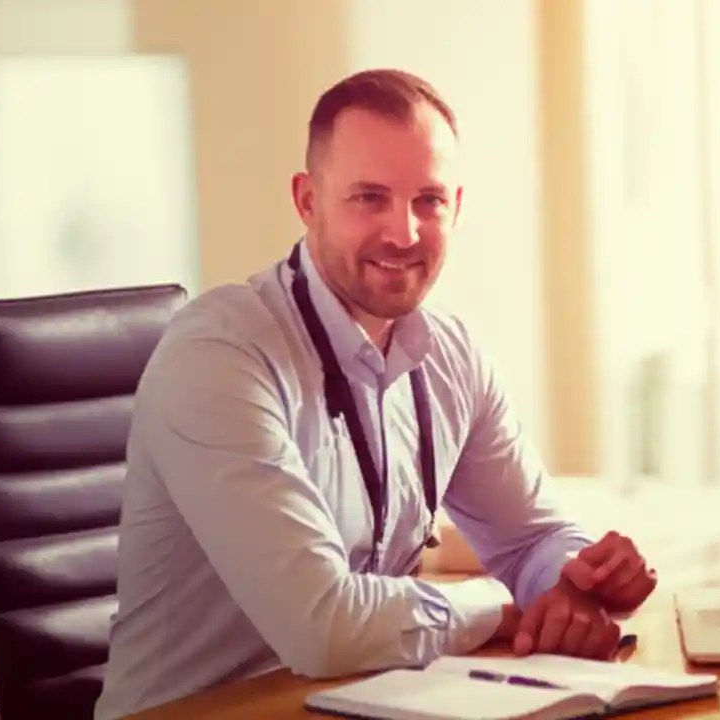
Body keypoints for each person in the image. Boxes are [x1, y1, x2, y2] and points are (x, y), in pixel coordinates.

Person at [94, 68, 657, 720]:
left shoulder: (452, 354)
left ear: (457, 207)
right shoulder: (221, 355)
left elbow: (533, 538)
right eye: (369, 198)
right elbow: (322, 625)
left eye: (428, 200)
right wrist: (500, 605)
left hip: (364, 701)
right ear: (307, 200)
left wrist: (571, 581)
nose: (404, 233)